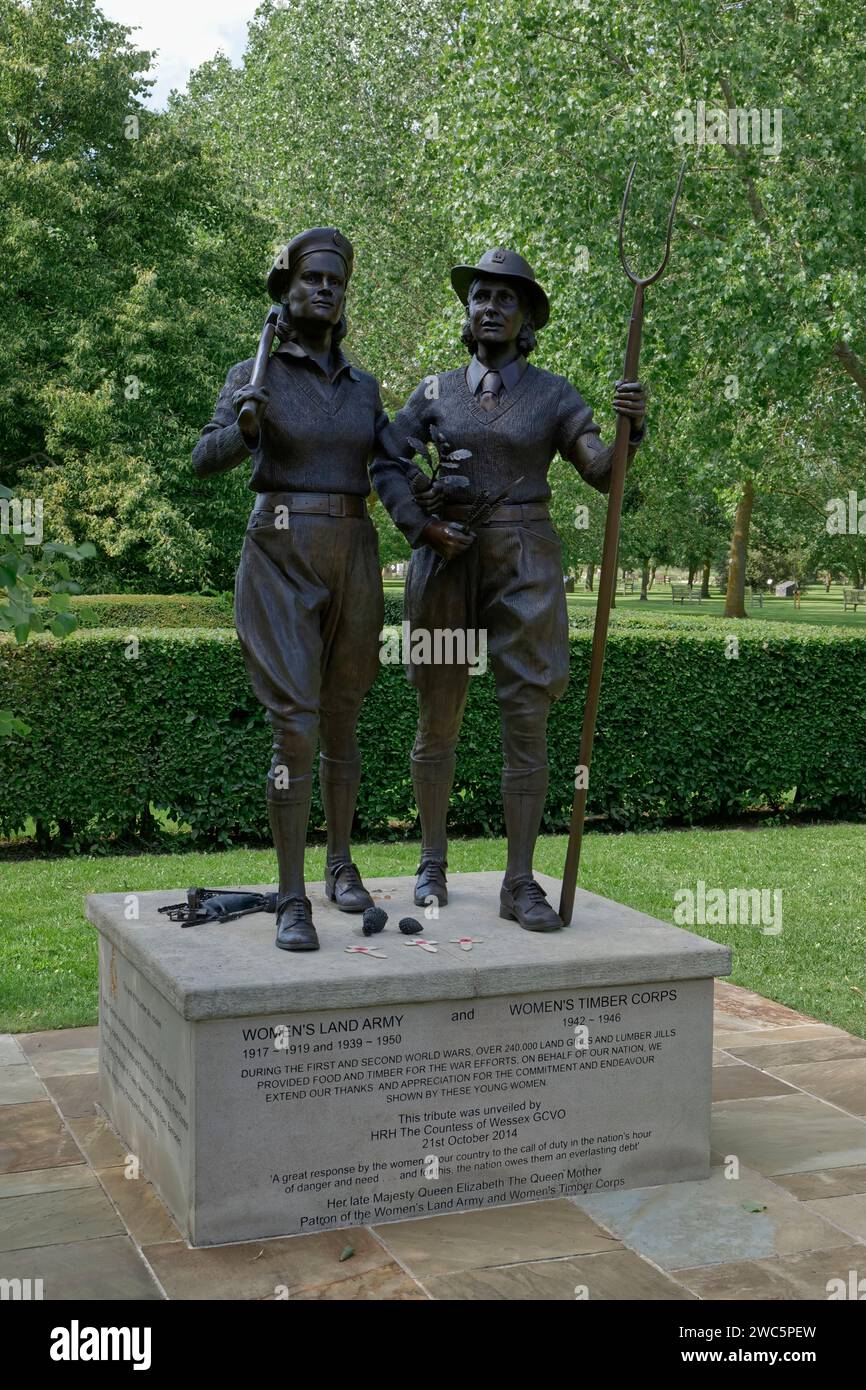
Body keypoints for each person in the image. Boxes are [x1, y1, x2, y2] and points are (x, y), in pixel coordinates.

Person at [372, 247, 646, 931]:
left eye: (504, 298)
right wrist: (421, 521)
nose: (488, 307)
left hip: (526, 561)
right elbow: (385, 457)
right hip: (447, 559)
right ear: (466, 314)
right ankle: (431, 860)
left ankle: (519, 883)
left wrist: (631, 431)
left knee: (526, 718)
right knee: (438, 715)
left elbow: (603, 475)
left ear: (526, 317)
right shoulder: (434, 391)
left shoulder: (554, 394)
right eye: (479, 298)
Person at [193, 229, 387, 952]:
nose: (327, 290)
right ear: (287, 288)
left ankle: (340, 864)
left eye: (337, 281)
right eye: (312, 278)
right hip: (278, 553)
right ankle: (291, 894)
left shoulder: (364, 386)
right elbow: (202, 458)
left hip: (354, 553)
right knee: (295, 727)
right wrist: (244, 430)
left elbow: (392, 464)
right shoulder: (255, 372)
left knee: (342, 719)